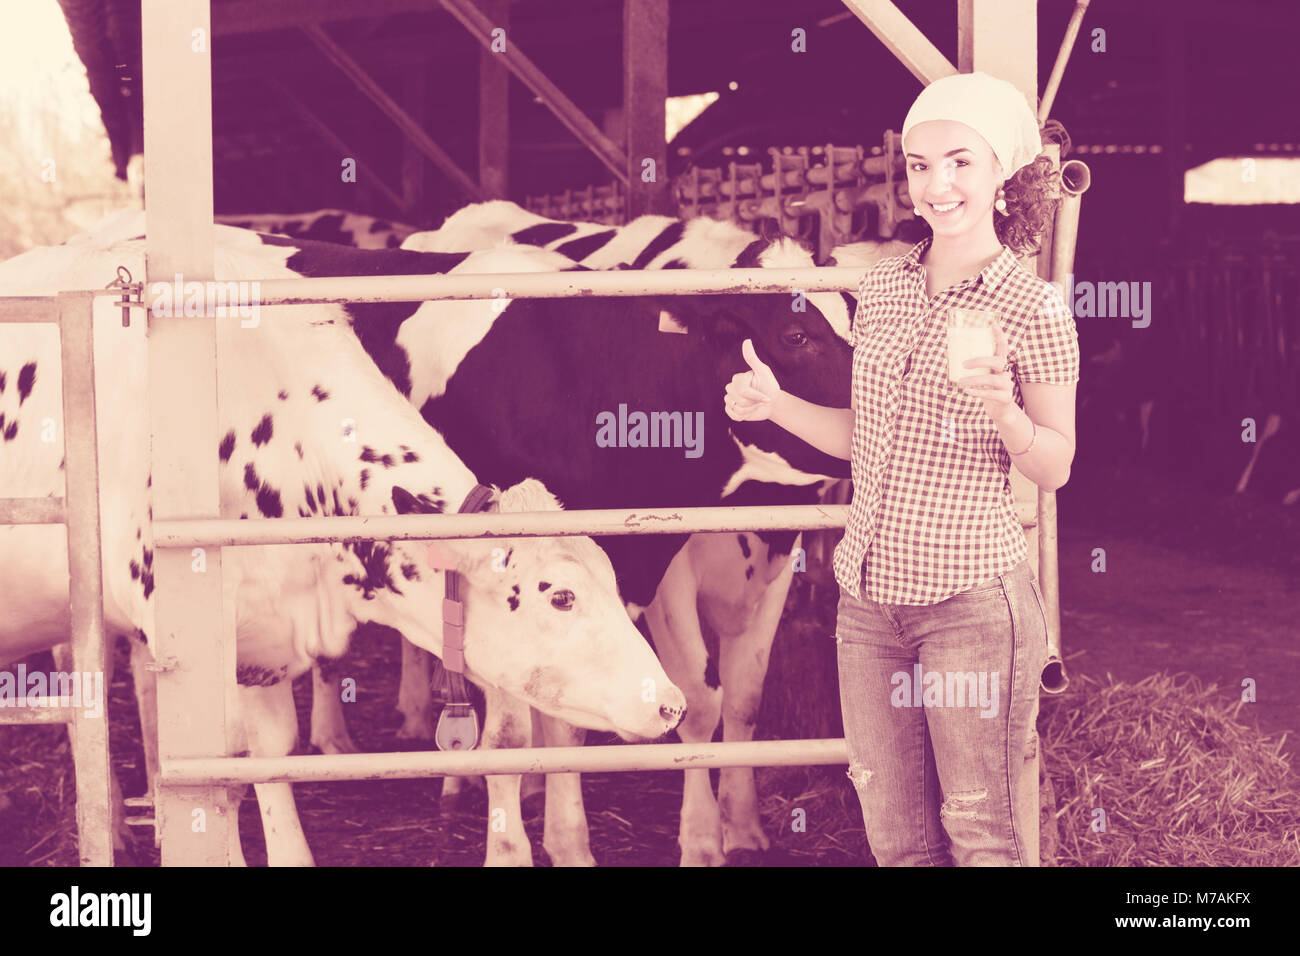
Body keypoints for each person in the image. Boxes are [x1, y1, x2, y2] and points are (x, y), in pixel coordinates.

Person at [723, 72, 1079, 866]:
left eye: (959, 162)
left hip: (971, 608)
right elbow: (866, 436)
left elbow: (1055, 464)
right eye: (920, 166)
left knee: (984, 836)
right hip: (869, 609)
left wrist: (1006, 416)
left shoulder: (1036, 307)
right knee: (898, 843)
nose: (937, 184)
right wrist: (772, 405)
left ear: (1000, 175)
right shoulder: (881, 289)